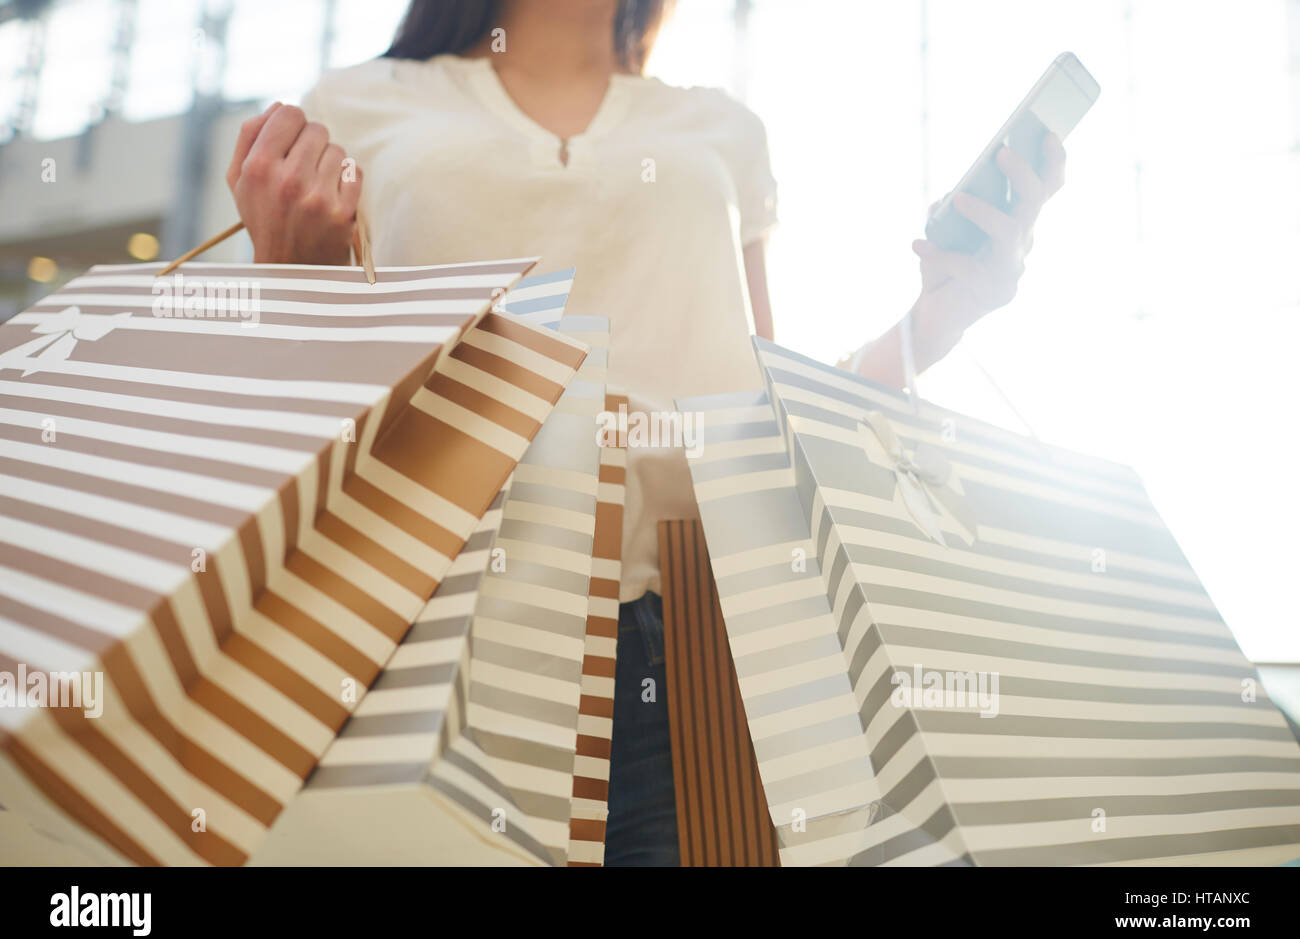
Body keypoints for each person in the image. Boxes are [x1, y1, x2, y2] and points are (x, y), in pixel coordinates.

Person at [224, 0, 1066, 865]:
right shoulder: (357, 104)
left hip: (708, 635)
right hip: (448, 638)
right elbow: (312, 445)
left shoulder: (720, 130)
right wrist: (297, 288)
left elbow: (766, 430)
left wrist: (940, 315)